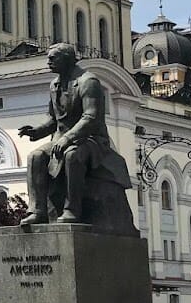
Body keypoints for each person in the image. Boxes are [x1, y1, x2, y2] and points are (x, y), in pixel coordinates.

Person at [19, 42, 132, 226]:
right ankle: (37, 211)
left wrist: (67, 139)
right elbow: (53, 118)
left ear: (67, 59)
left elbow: (91, 117)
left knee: (72, 156)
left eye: (53, 58)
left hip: (91, 140)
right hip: (61, 139)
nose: (48, 61)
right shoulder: (54, 84)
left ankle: (72, 209)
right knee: (35, 157)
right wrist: (36, 131)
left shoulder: (88, 82)